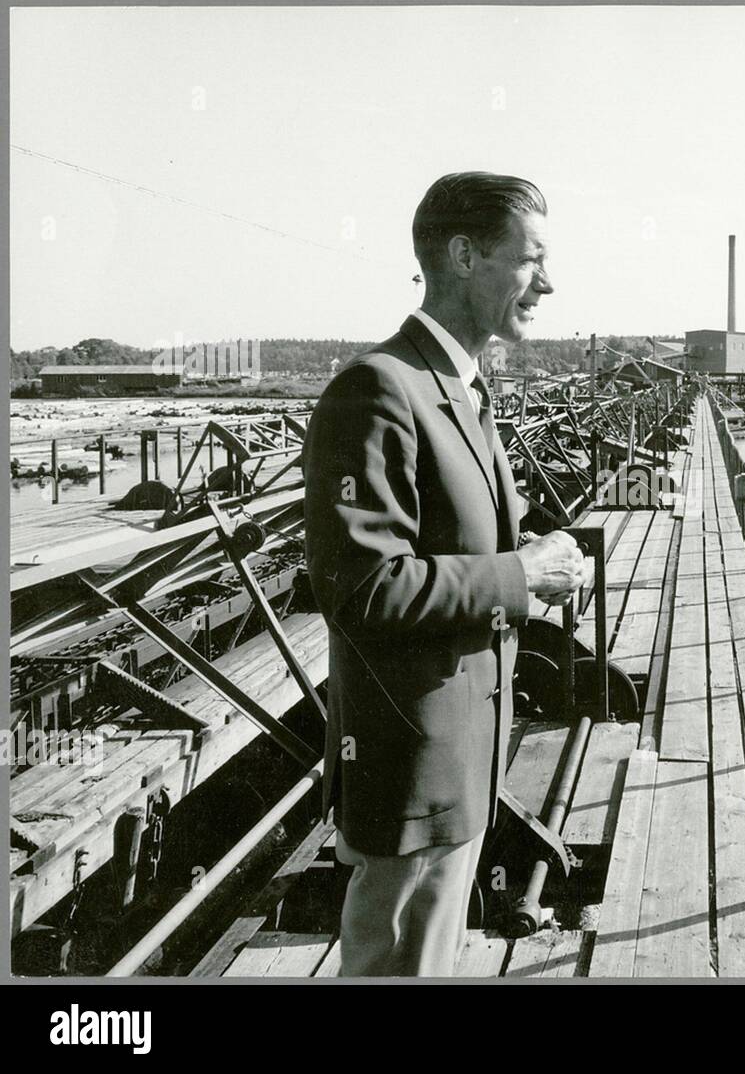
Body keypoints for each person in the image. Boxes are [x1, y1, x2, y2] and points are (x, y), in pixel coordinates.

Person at [302, 171, 587, 976]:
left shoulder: (458, 389)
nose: (548, 282)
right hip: (410, 775)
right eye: (530, 259)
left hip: (461, 766)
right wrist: (518, 573)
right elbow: (360, 588)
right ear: (464, 255)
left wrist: (540, 556)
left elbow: (467, 538)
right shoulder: (379, 390)